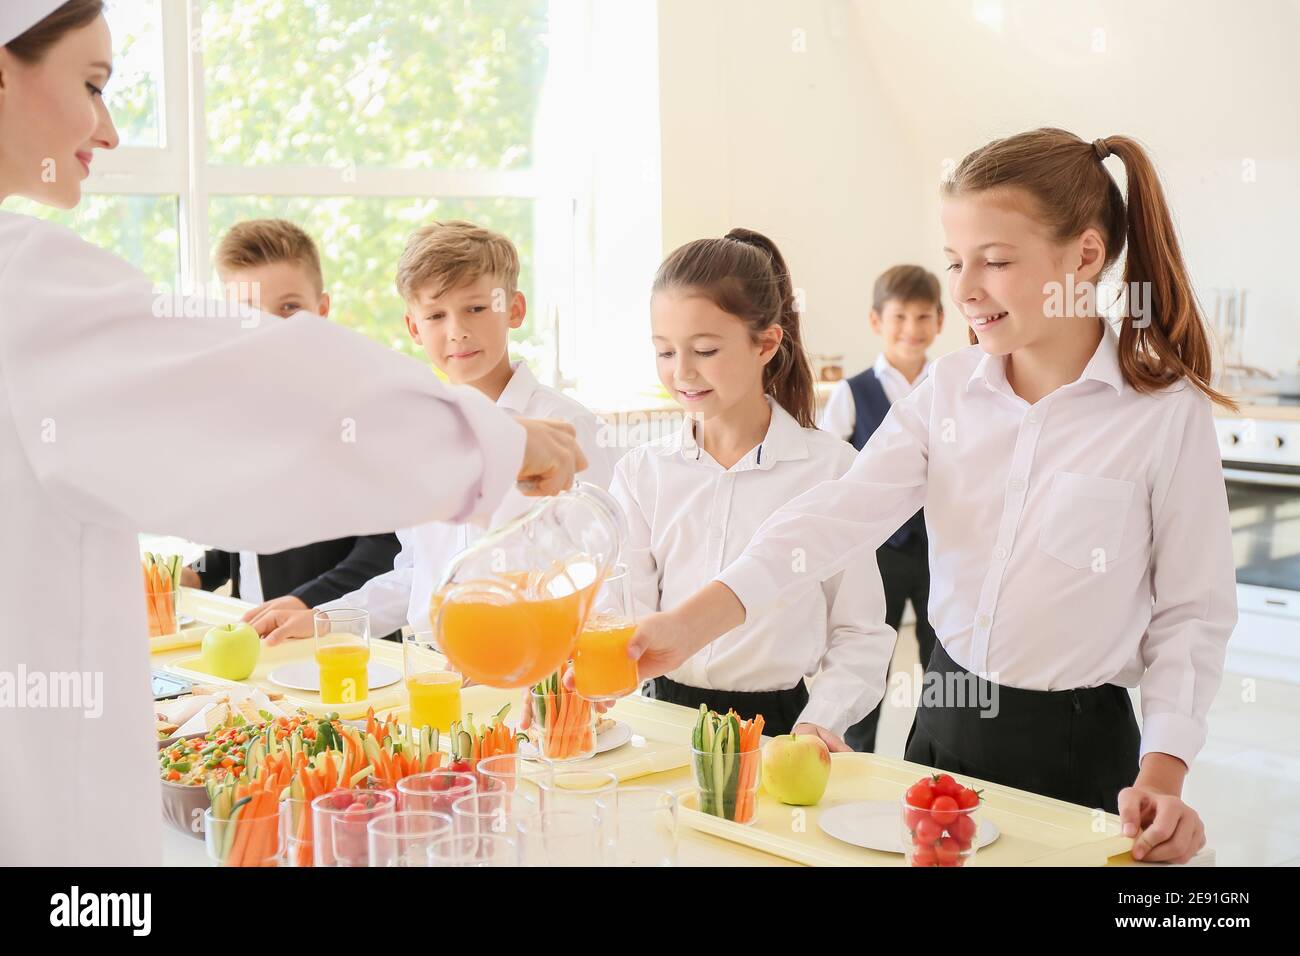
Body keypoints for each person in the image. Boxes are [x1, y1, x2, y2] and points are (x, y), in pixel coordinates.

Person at [0, 0, 584, 866]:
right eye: (92, 85)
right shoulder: (25, 290)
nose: (111, 129)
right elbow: (266, 404)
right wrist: (502, 445)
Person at [628, 129, 1237, 864]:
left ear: (1084, 255)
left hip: (1081, 752)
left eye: (997, 261)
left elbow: (1192, 614)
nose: (965, 290)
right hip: (942, 727)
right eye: (955, 262)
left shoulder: (1162, 414)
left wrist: (1164, 771)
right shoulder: (946, 393)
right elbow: (834, 518)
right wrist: (692, 623)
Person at [244, 220, 616, 645]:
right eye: (436, 315)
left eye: (475, 308)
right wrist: (325, 618)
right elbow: (415, 577)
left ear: (514, 309)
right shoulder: (418, 438)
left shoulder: (568, 427)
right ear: (414, 329)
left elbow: (605, 578)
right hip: (432, 673)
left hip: (533, 679)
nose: (456, 329)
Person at [609, 228, 893, 744]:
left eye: (705, 349)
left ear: (766, 343)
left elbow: (860, 632)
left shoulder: (829, 469)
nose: (683, 372)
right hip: (662, 725)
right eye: (665, 352)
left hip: (780, 729)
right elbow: (623, 617)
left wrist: (820, 723)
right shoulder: (641, 473)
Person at [180, 219, 402, 639]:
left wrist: (303, 604)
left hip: (340, 646)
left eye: (288, 309)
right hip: (254, 647)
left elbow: (389, 548)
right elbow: (242, 544)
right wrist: (192, 576)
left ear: (322, 310)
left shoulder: (366, 411)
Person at [819, 264, 942, 752]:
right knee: (868, 655)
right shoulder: (853, 392)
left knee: (941, 660)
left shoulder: (955, 385)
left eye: (923, 317)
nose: (911, 329)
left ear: (939, 321)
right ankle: (855, 754)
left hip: (941, 549)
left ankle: (928, 757)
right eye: (899, 318)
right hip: (877, 552)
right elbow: (831, 469)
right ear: (876, 321)